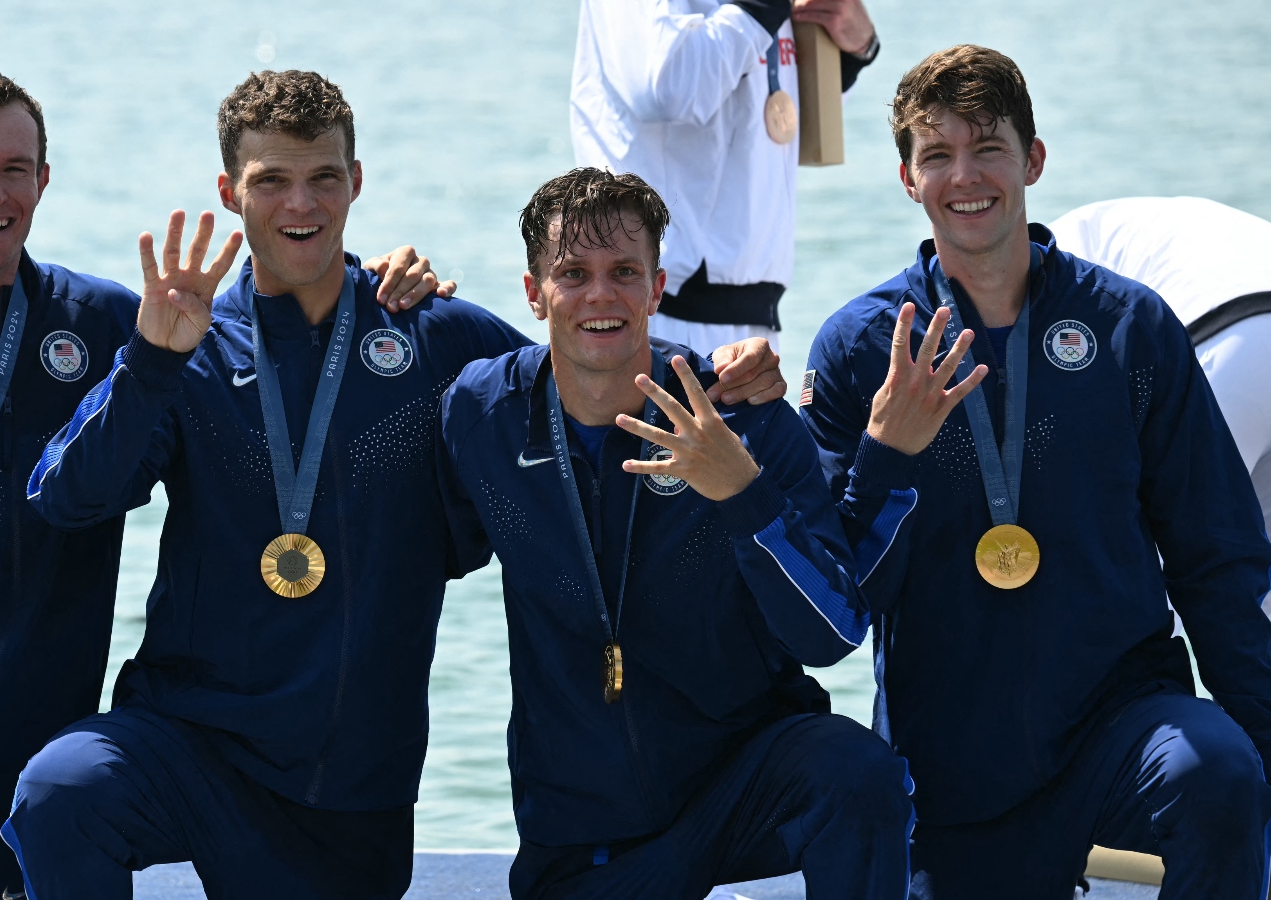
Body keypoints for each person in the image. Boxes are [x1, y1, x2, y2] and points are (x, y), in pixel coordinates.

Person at [4, 72, 785, 899]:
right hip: (193, 741)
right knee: (63, 791)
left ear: (357, 183)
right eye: (271, 180)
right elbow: (64, 496)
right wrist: (152, 362)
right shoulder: (186, 345)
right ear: (231, 192)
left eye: (323, 178)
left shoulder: (432, 334)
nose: (299, 204)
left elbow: (589, 371)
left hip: (352, 788)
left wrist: (730, 373)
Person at [0, 66, 450, 900]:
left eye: (15, 169)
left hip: (6, 750)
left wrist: (371, 281)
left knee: (55, 800)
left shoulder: (107, 327)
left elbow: (260, 332)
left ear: (44, 182)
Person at [798, 45, 1271, 898]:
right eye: (937, 154)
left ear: (1034, 160)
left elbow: (1219, 564)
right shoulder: (862, 347)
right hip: (945, 770)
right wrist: (886, 456)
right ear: (907, 178)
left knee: (1220, 773)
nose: (964, 176)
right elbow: (838, 609)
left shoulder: (1130, 327)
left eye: (988, 148)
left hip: (1119, 732)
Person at [435, 167, 914, 899]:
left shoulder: (741, 418)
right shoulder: (481, 413)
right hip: (582, 834)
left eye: (625, 271)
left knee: (860, 774)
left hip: (739, 789)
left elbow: (833, 636)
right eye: (574, 273)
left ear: (657, 288)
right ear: (533, 294)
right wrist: (383, 276)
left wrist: (743, 495)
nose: (602, 295)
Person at [570, 0, 881, 355]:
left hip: (756, 312)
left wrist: (855, 50)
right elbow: (669, 86)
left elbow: (774, 120)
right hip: (659, 312)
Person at [1050, 196, 1271, 534]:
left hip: (1230, 339)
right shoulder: (1113, 226)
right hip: (1239, 321)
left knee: (1184, 547)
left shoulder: (1047, 262)